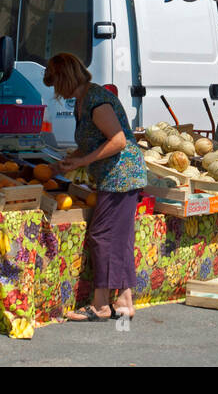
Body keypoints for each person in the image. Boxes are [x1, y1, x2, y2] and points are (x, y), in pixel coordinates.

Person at [45, 52, 146, 321]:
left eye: (55, 83)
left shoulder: (96, 100)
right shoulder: (83, 100)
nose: (55, 90)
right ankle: (124, 302)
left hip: (121, 175)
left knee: (102, 234)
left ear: (65, 78)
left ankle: (101, 305)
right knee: (119, 236)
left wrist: (85, 160)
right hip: (114, 175)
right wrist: (73, 160)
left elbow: (118, 141)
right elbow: (94, 141)